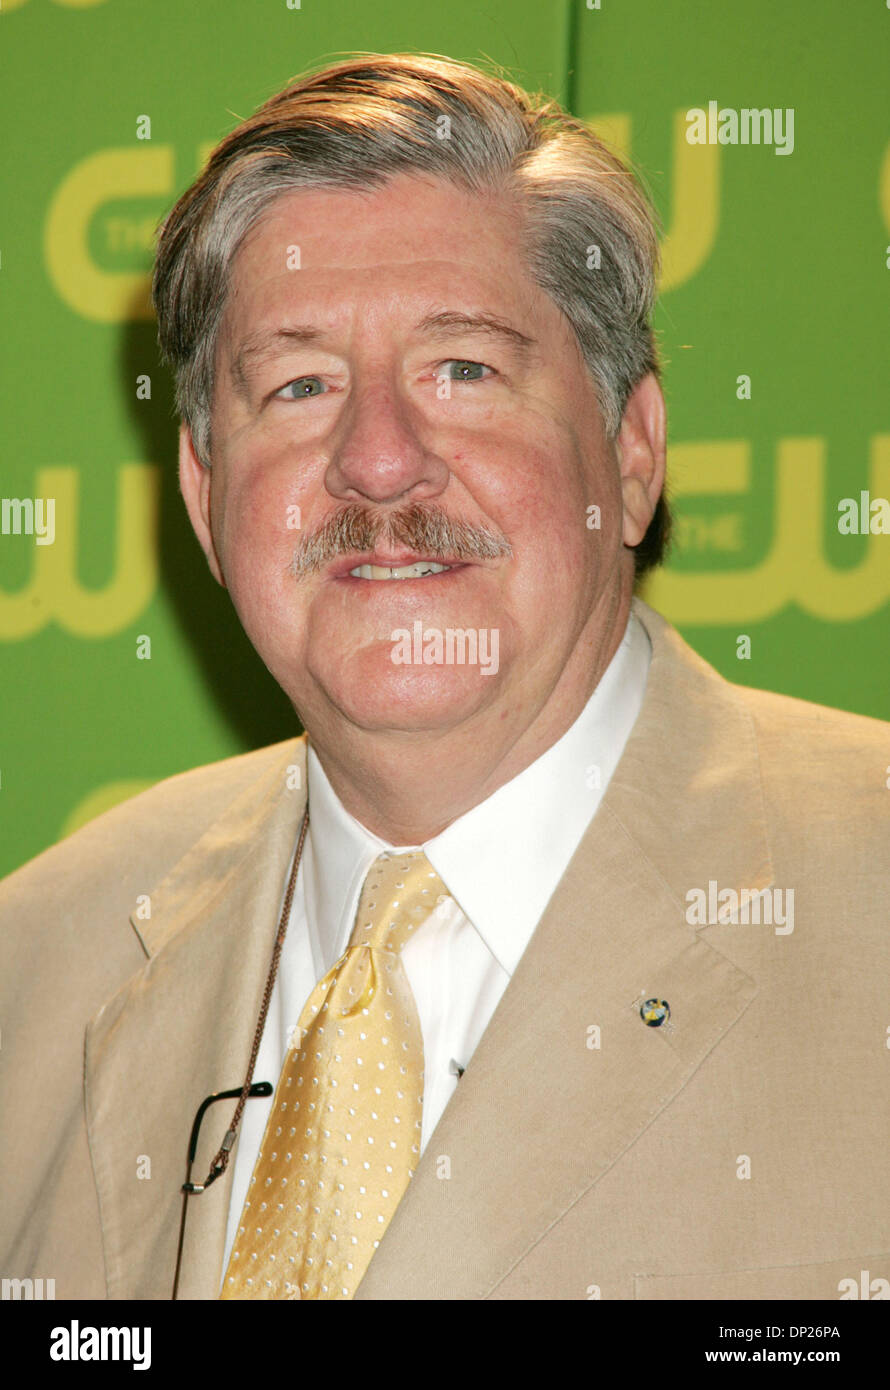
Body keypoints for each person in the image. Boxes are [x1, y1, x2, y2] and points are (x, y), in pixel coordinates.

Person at [1, 53, 887, 1303]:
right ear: (204, 501)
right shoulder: (36, 965)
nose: (375, 464)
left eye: (461, 369)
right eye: (298, 386)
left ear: (631, 454)